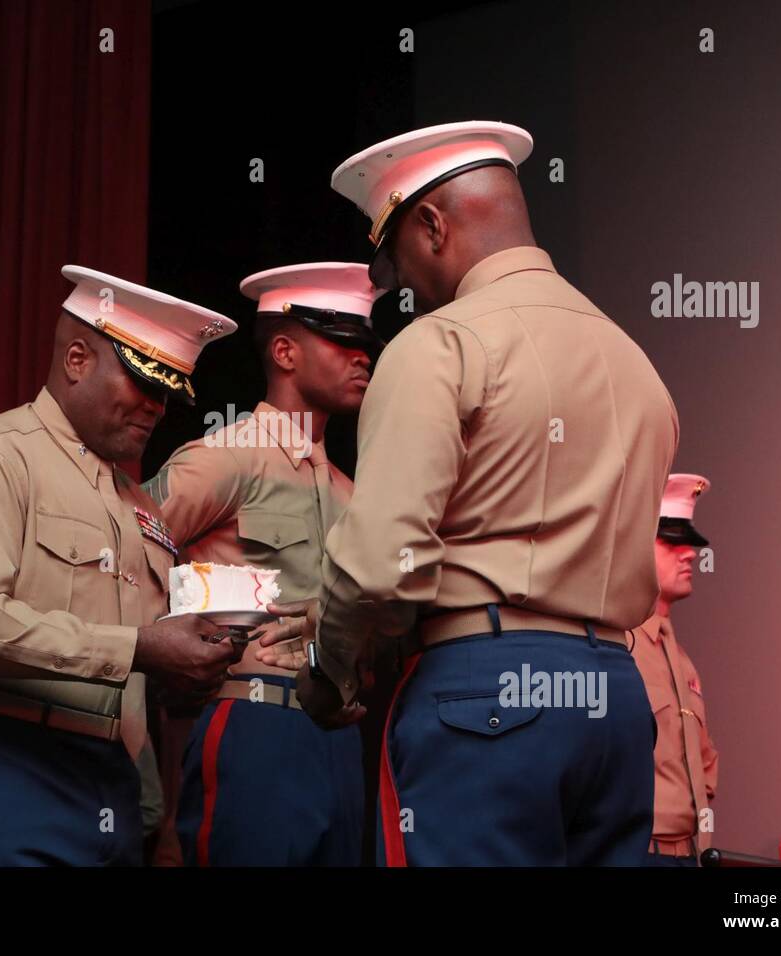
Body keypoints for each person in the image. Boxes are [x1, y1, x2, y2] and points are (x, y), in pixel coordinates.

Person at [273, 120, 679, 865]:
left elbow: (378, 565)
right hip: (616, 696)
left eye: (399, 265)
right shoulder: (636, 361)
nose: (408, 293)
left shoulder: (442, 343)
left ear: (431, 225)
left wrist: (331, 670)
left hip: (486, 692)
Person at [0, 265, 244, 865]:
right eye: (142, 382)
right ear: (78, 361)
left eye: (167, 392)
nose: (156, 407)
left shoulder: (142, 507)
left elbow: (152, 654)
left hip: (110, 778)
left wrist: (195, 660)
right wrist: (139, 649)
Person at [144, 263, 384, 865]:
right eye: (343, 342)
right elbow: (123, 554)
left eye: (367, 345)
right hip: (253, 722)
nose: (363, 359)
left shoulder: (351, 493)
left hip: (338, 735)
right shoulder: (227, 457)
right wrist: (212, 622)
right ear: (284, 351)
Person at [630, 473, 720, 867]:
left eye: (691, 545)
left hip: (691, 856)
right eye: (671, 542)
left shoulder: (680, 659)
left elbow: (703, 761)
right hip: (638, 855)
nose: (690, 554)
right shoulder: (617, 648)